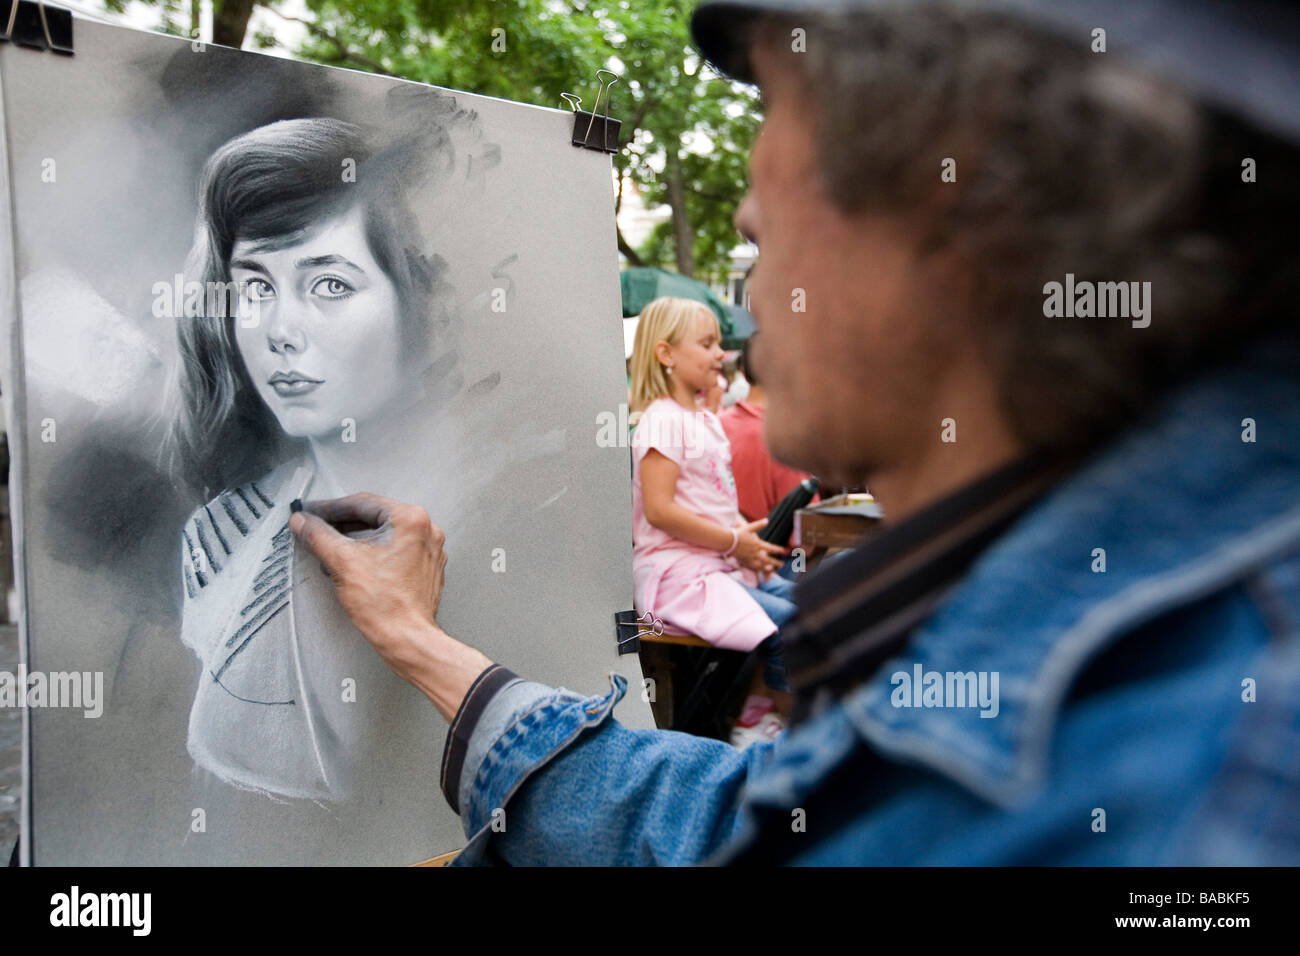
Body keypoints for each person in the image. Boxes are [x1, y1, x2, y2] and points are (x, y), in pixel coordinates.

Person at [290, 0, 1300, 864]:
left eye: (778, 109)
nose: (742, 216)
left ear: (958, 174)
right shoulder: (1130, 677)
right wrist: (420, 642)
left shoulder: (1199, 792)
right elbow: (747, 828)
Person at [169, 110, 482, 802]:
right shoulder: (216, 545)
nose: (280, 330)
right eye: (256, 287)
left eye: (330, 284)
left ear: (416, 298)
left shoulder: (502, 511)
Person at [626, 297, 796, 667]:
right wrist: (736, 541)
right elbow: (659, 510)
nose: (721, 354)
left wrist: (746, 540)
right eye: (707, 344)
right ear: (666, 354)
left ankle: (764, 707)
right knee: (791, 625)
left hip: (719, 565)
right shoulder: (662, 421)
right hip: (680, 577)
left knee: (812, 605)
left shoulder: (706, 419)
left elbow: (716, 495)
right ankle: (764, 717)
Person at [720, 333, 817, 544]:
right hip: (774, 560)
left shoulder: (716, 425)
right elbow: (806, 532)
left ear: (743, 371)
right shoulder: (784, 437)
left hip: (726, 552)